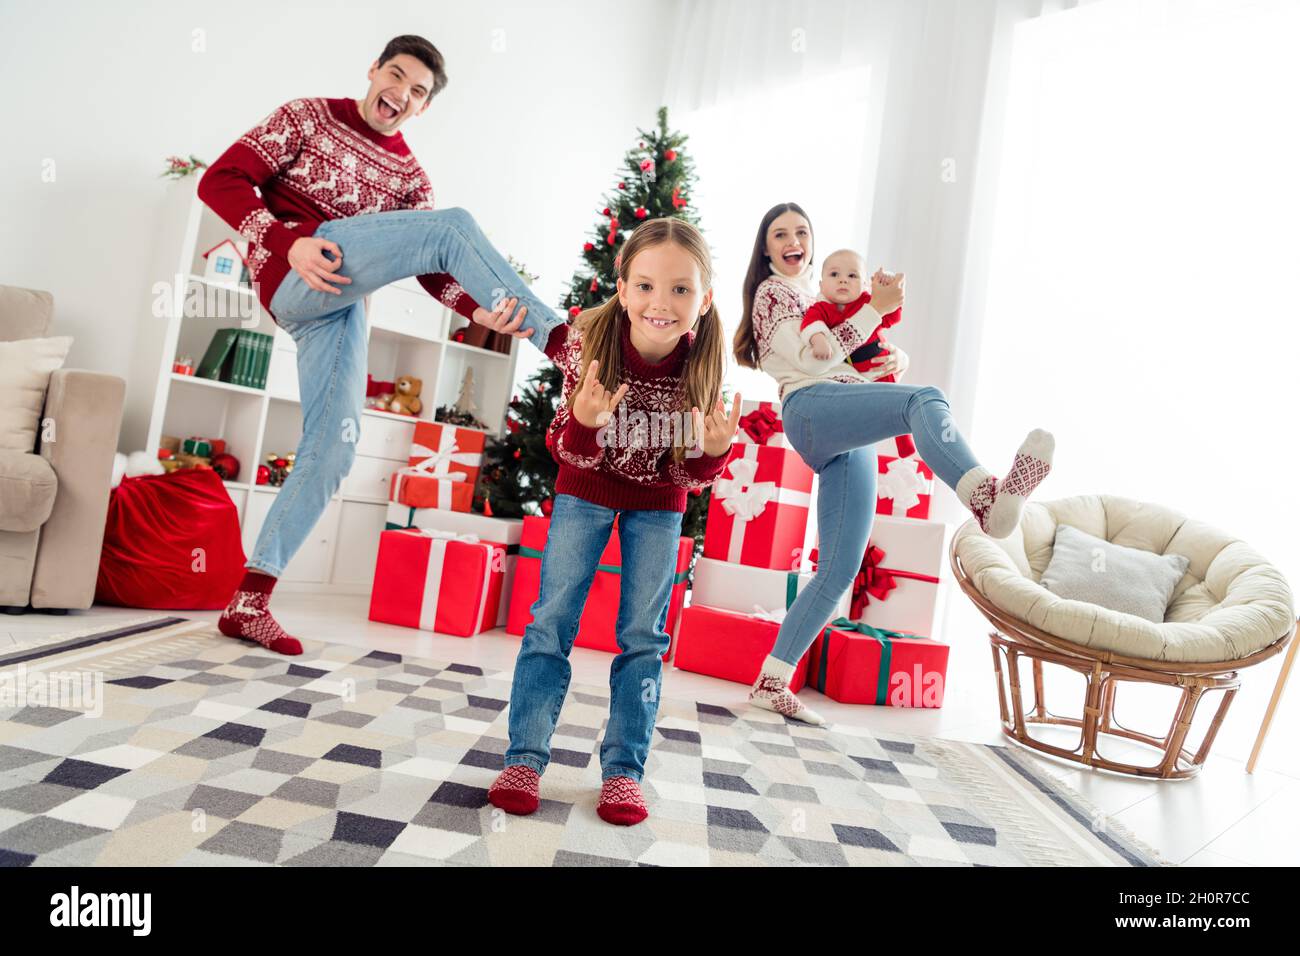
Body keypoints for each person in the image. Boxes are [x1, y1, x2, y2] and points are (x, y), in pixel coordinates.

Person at [197, 35, 568, 654]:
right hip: (293, 273)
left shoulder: (409, 177)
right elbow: (221, 179)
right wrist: (286, 239)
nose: (400, 92)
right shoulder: (307, 116)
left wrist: (480, 311)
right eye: (394, 75)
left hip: (335, 308)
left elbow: (433, 270)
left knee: (334, 448)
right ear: (372, 71)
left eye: (417, 91)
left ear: (423, 107)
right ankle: (563, 341)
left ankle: (249, 601)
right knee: (453, 225)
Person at [732, 202, 1055, 725]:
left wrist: (889, 355)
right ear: (766, 249)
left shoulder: (819, 297)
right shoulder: (776, 294)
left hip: (844, 421)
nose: (793, 240)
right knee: (922, 399)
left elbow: (848, 354)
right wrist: (874, 310)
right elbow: (814, 360)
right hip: (813, 408)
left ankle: (772, 679)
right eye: (780, 234)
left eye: (802, 232)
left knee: (838, 568)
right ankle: (983, 498)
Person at [473, 218, 741, 826]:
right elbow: (567, 453)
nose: (660, 304)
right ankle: (524, 758)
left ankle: (623, 773)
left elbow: (691, 476)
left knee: (644, 637)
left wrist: (712, 453)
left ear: (703, 299)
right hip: (585, 490)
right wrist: (587, 425)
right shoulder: (585, 342)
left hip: (659, 502)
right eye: (645, 286)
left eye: (680, 290)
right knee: (551, 621)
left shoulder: (702, 365)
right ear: (622, 288)